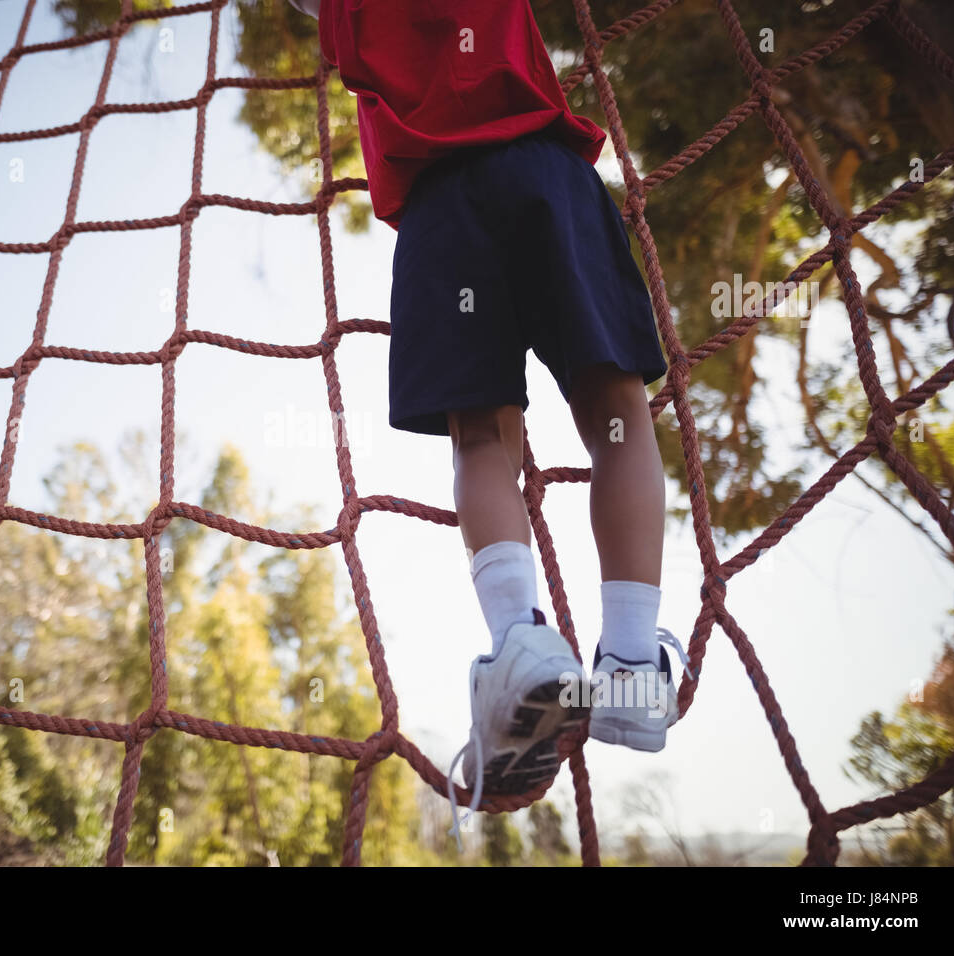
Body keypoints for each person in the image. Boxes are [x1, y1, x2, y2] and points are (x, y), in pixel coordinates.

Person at [288, 0, 693, 847]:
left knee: (481, 441)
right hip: (545, 172)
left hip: (441, 212)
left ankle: (520, 642)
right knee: (618, 417)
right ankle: (627, 659)